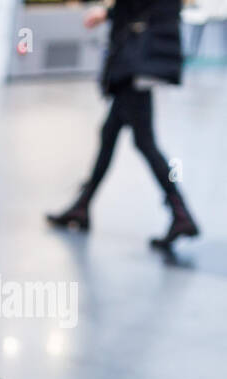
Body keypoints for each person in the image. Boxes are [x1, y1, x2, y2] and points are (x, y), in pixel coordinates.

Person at [47, 0, 199, 249]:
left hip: (137, 62)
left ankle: (180, 213)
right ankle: (82, 206)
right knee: (109, 135)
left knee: (145, 142)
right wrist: (108, 13)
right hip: (141, 60)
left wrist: (106, 12)